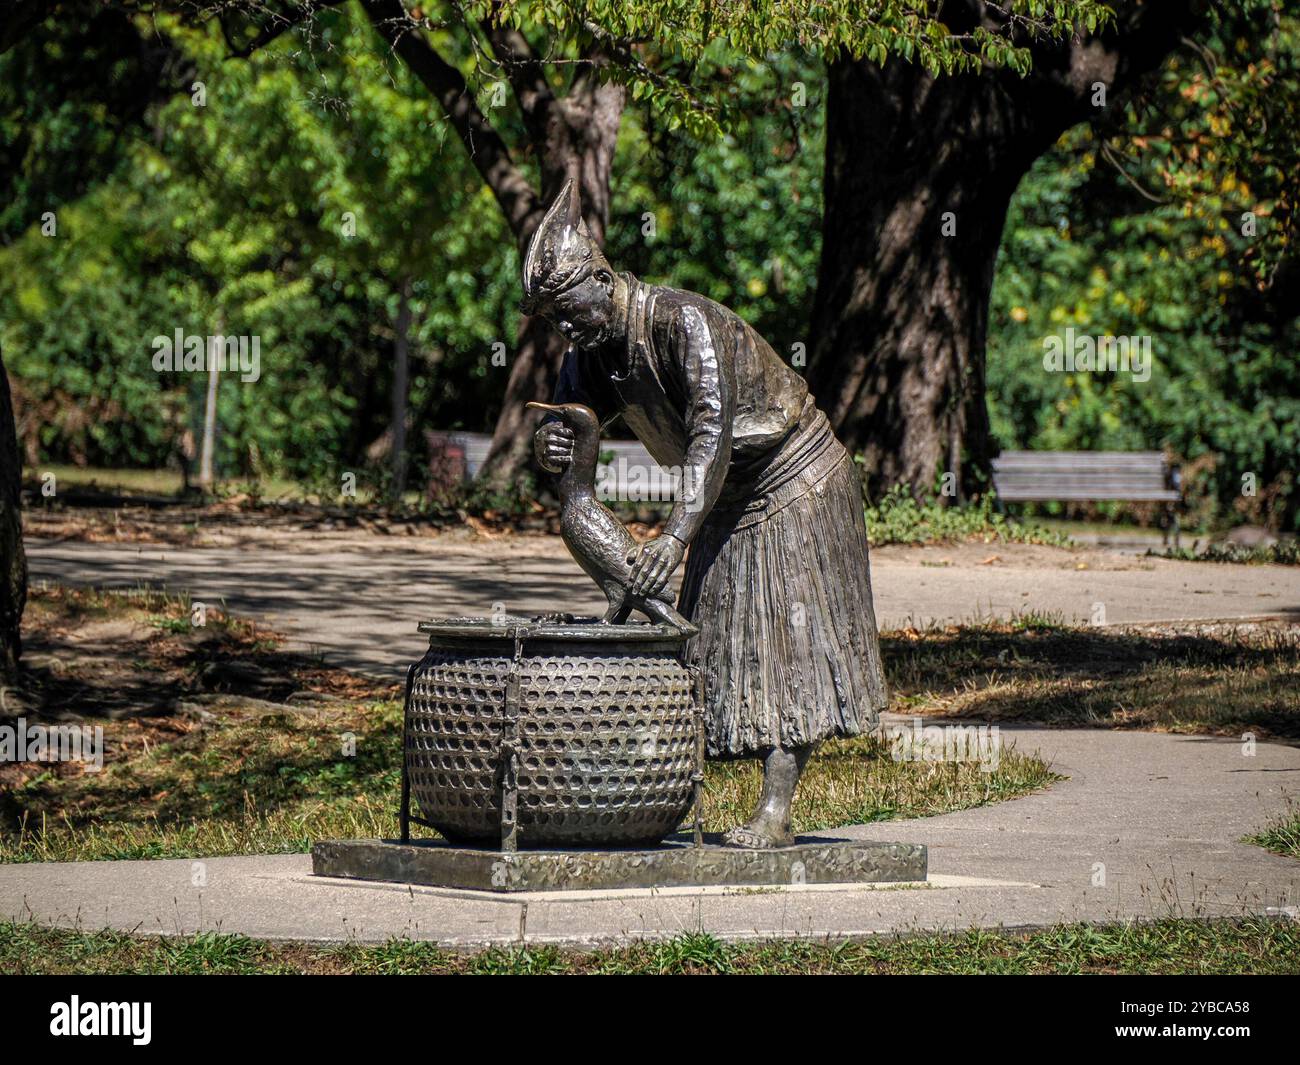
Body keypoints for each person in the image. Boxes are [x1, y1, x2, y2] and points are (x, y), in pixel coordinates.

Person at [525, 179, 888, 848]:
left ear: (602, 278)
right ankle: (657, 794)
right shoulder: (593, 350)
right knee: (706, 643)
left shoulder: (681, 321)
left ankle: (775, 814)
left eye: (569, 311)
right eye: (554, 321)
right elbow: (570, 423)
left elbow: (711, 432)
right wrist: (550, 444)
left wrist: (674, 534)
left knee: (785, 646)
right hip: (721, 490)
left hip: (794, 477)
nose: (566, 330)